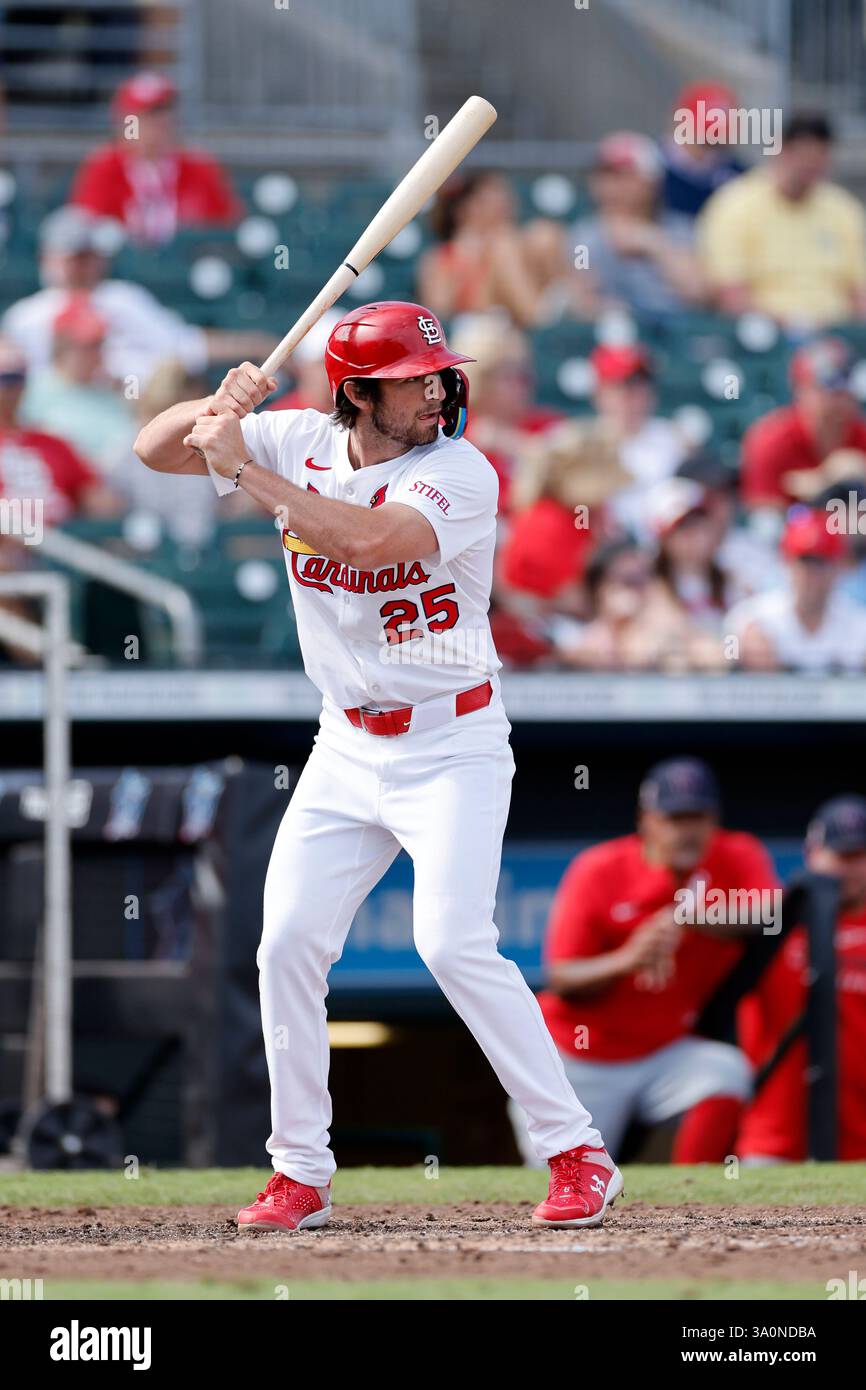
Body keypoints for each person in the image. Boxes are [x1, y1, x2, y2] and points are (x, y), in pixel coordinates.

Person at [134, 299, 624, 1231]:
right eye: (412, 380)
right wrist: (222, 404)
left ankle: (578, 1154)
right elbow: (154, 449)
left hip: (453, 739)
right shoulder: (292, 438)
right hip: (347, 743)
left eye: (440, 373)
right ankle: (299, 1173)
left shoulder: (463, 469)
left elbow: (363, 542)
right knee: (284, 945)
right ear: (357, 394)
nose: (438, 390)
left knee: (451, 943)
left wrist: (240, 466)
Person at [510, 759, 777, 1165]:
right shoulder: (600, 868)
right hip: (582, 1058)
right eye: (674, 817)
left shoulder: (735, 854)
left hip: (663, 1053)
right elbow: (561, 976)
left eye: (697, 817)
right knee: (562, 1180)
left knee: (725, 1072)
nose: (686, 830)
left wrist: (689, 914)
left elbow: (769, 912)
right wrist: (627, 959)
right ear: (646, 821)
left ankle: (692, 1198)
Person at [2, 206, 275, 389]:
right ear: (47, 258)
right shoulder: (26, 316)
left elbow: (185, 346)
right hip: (60, 416)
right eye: (76, 257)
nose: (84, 265)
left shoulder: (124, 298)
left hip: (135, 413)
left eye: (90, 256)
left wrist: (260, 346)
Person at [738, 795, 866, 1161]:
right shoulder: (773, 920)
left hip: (860, 1141)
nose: (849, 869)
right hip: (772, 1137)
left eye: (859, 856)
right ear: (812, 853)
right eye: (840, 856)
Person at [698, 113, 866, 329]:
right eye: (802, 157)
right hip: (765, 340)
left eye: (816, 160)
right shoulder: (735, 204)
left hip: (835, 339)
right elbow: (730, 295)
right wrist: (794, 325)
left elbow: (860, 293)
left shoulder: (843, 210)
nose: (808, 167)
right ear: (781, 152)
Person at [70, 71, 242, 245]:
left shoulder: (200, 166)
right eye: (147, 114)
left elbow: (225, 226)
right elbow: (88, 225)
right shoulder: (104, 166)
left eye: (164, 111)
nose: (158, 122)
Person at [417, 171, 586, 328]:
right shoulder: (440, 257)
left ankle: (568, 314)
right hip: (479, 327)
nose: (506, 204)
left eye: (506, 198)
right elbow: (440, 313)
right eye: (493, 199)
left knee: (544, 233)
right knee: (503, 245)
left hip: (517, 323)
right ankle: (544, 324)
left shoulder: (519, 241)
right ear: (466, 208)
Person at [570, 132, 707, 320]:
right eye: (604, 176)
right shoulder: (583, 239)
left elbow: (699, 290)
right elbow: (581, 292)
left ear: (651, 182)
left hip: (676, 336)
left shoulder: (681, 229)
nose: (610, 187)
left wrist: (651, 243)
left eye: (623, 177)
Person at [448, 314, 564, 515]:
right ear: (482, 380)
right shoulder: (456, 431)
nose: (524, 382)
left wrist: (517, 445)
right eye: (510, 375)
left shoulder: (547, 424)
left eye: (525, 372)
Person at [725, 507, 866, 672]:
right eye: (804, 563)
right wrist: (738, 652)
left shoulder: (857, 622)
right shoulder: (753, 616)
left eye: (821, 564)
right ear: (787, 565)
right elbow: (723, 650)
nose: (812, 575)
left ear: (837, 568)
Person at [0, 337, 117, 524]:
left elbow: (98, 499)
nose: (13, 387)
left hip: (57, 542)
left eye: (19, 377)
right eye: (6, 378)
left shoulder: (52, 442)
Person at [740, 338, 866, 511]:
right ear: (801, 389)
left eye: (847, 388)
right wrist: (826, 480)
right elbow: (764, 520)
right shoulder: (770, 440)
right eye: (831, 388)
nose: (841, 398)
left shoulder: (861, 433)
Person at [20, 295, 135, 475]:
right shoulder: (32, 392)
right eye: (89, 345)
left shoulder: (113, 393)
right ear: (62, 345)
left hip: (118, 485)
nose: (98, 353)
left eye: (100, 344)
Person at [589, 343, 688, 539]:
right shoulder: (582, 444)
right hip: (608, 552)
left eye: (641, 385)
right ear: (599, 394)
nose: (633, 396)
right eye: (623, 387)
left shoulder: (675, 439)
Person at [662, 81, 745, 219]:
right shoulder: (647, 171)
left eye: (718, 139)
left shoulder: (739, 179)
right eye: (703, 140)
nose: (709, 152)